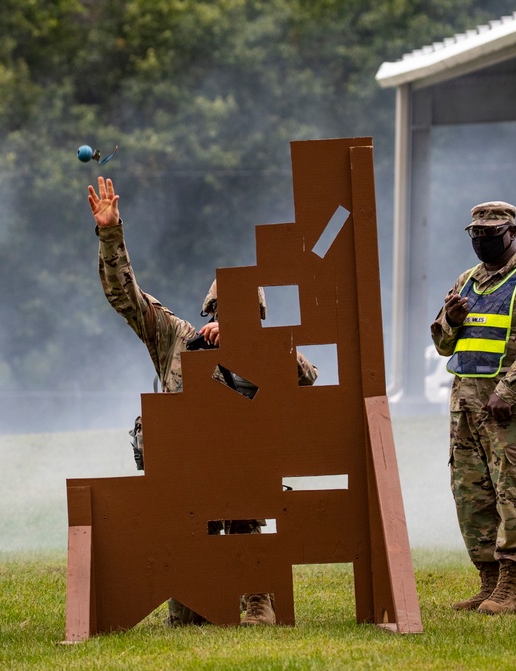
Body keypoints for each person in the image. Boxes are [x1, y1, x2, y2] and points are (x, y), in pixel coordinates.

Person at [87, 176, 318, 627]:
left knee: (248, 506)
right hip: (185, 478)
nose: (226, 323)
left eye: (243, 316)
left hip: (242, 478)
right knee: (189, 609)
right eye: (223, 315)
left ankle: (256, 599)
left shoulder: (271, 354)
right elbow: (125, 297)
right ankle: (195, 602)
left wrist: (245, 346)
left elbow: (306, 376)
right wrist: (110, 233)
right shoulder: (177, 337)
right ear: (209, 313)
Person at [431, 201, 516, 615]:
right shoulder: (467, 281)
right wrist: (451, 320)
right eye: (476, 234)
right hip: (466, 410)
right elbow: (442, 344)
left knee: (515, 495)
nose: (482, 241)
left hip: (512, 411)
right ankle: (487, 583)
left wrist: (508, 390)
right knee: (471, 496)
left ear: (511, 233)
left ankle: (509, 587)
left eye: (491, 234)